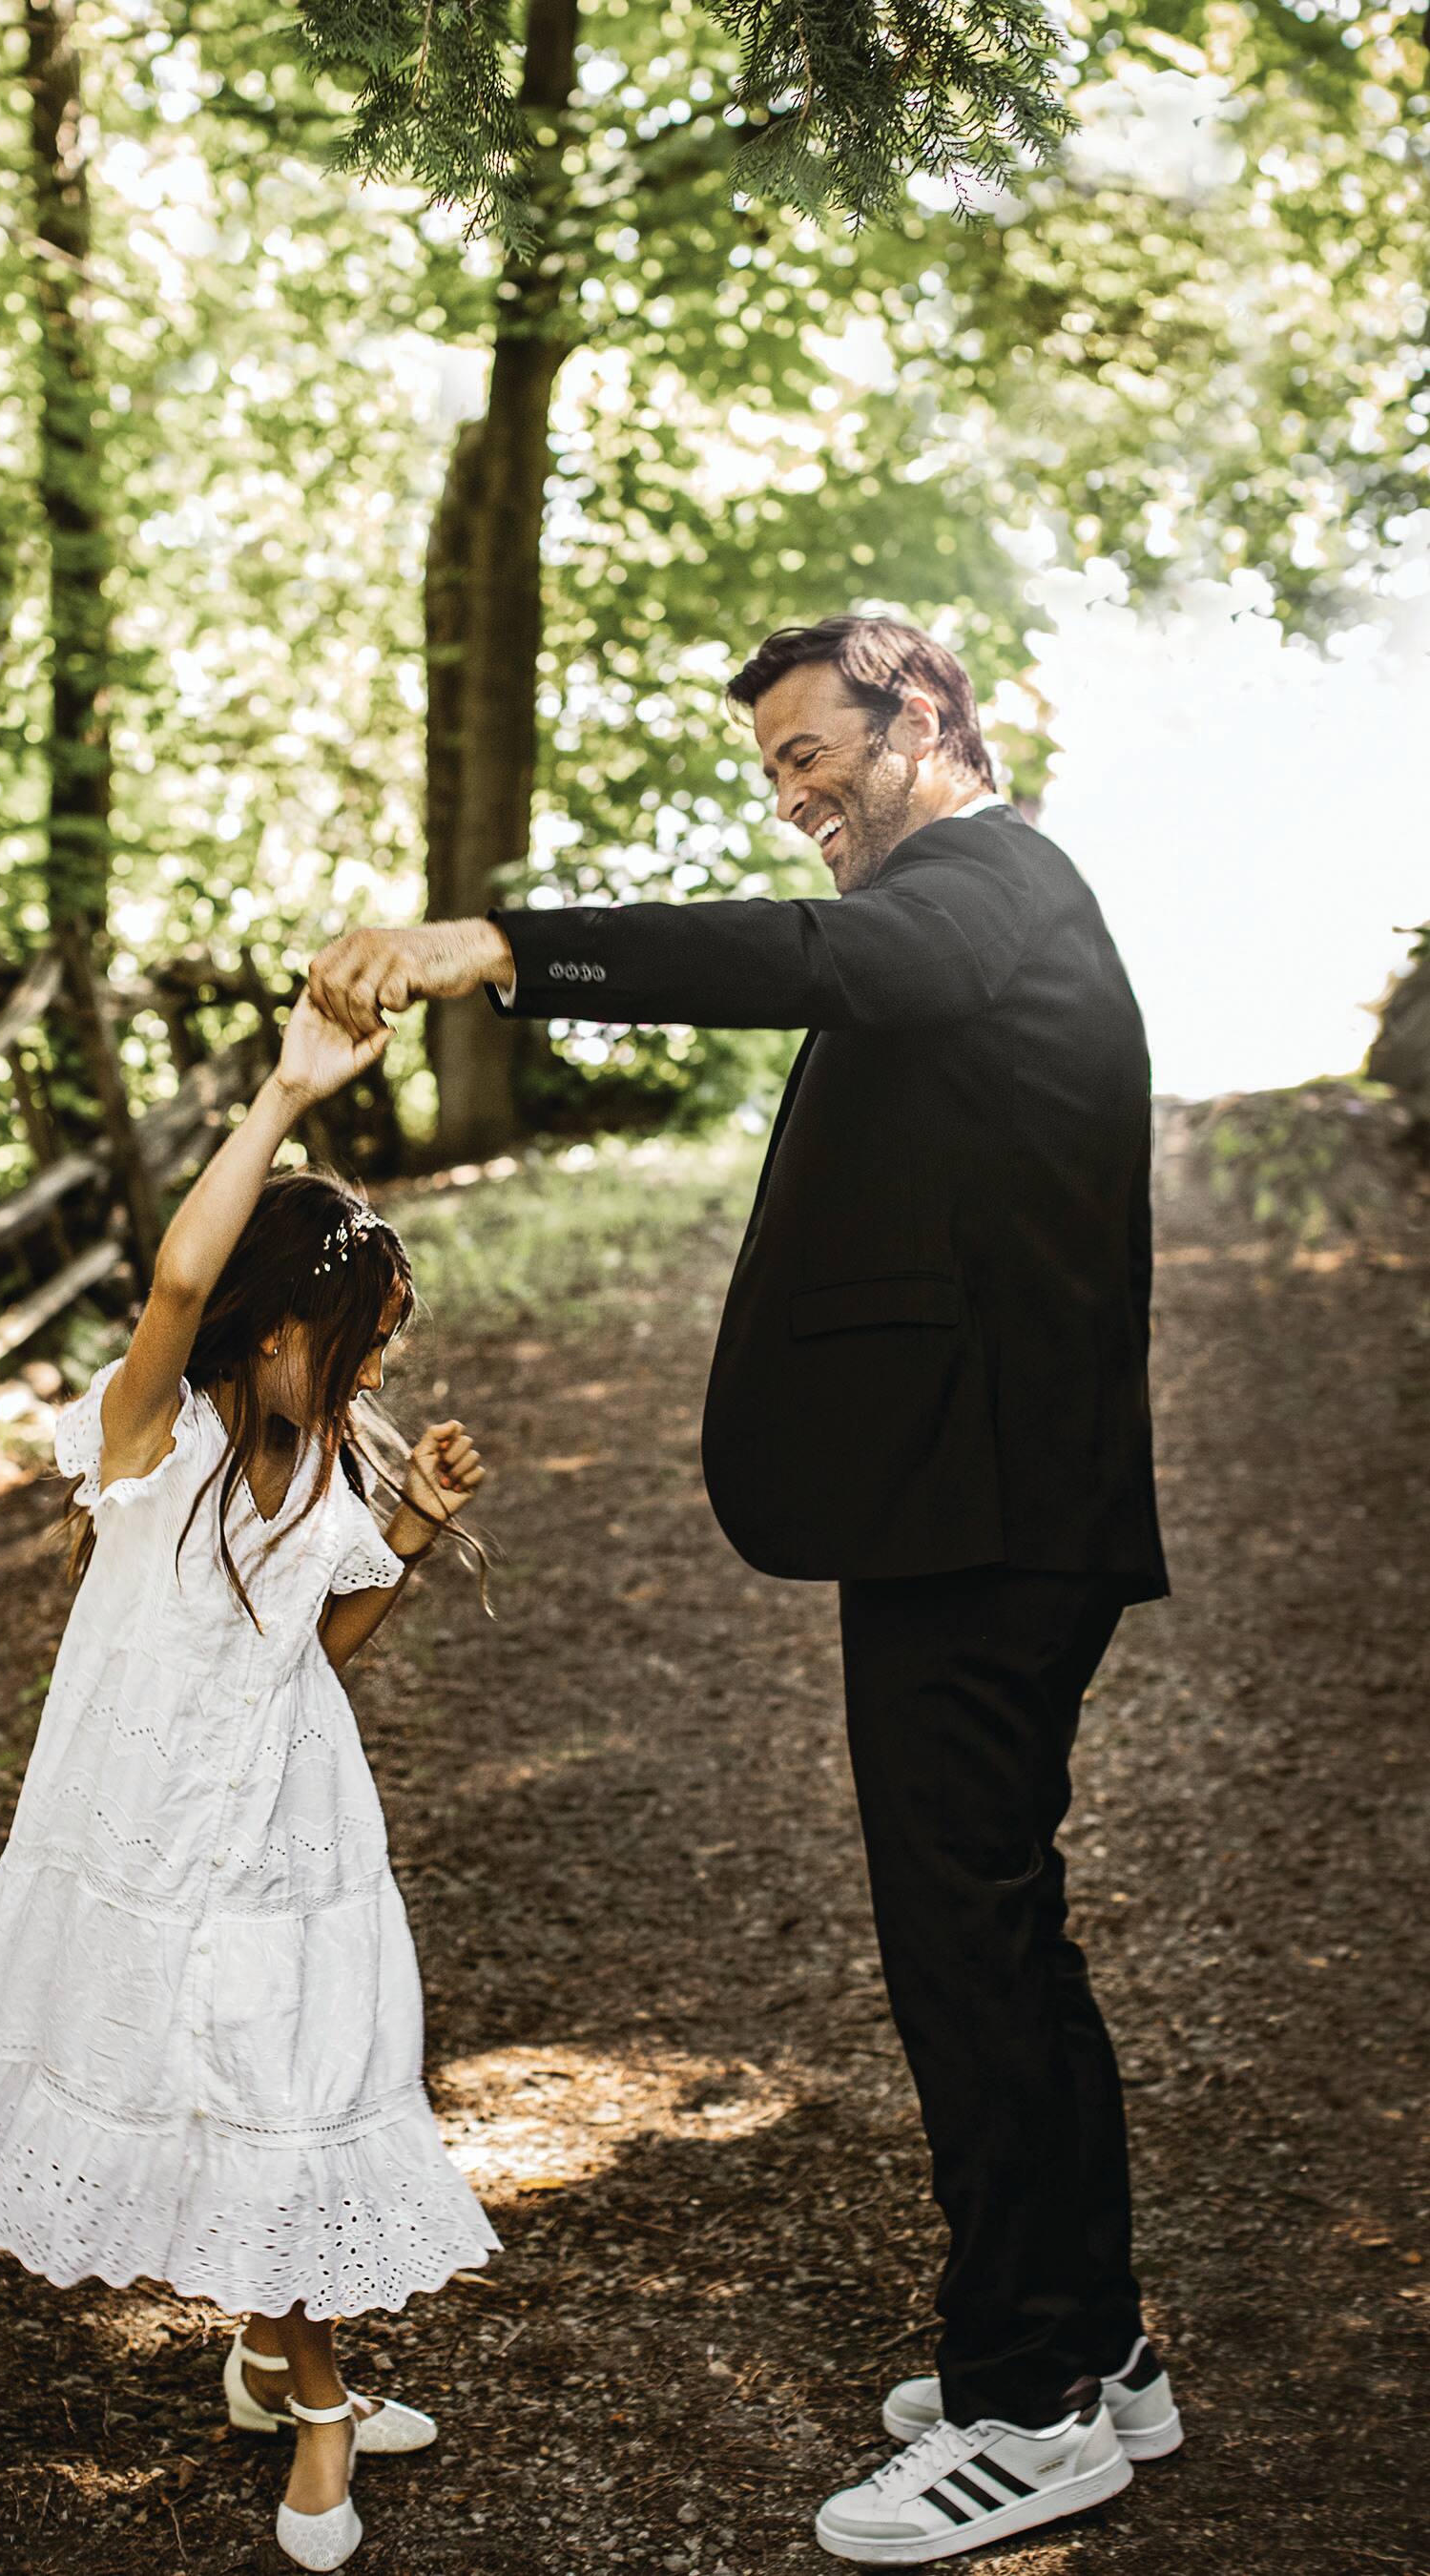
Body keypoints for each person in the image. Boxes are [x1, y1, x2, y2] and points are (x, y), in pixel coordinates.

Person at [307, 614, 1181, 2566]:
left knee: (970, 1960)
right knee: (1009, 1942)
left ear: (925, 718)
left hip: (986, 1520)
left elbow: (814, 964)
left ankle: (1027, 2410)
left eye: (816, 752)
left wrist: (509, 943)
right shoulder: (976, 909)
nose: (797, 797)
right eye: (772, 770)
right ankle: (1097, 2343)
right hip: (971, 1507)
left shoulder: (992, 885)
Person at [0, 992, 499, 2573]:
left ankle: (300, 2380)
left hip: (288, 1825)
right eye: (353, 1349)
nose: (370, 1379)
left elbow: (323, 1643)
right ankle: (304, 2387)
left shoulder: (330, 1454)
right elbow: (172, 1278)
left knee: (281, 2092)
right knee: (227, 2085)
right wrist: (287, 1089)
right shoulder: (156, 1442)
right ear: (275, 1325)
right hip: (144, 1829)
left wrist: (408, 1522)